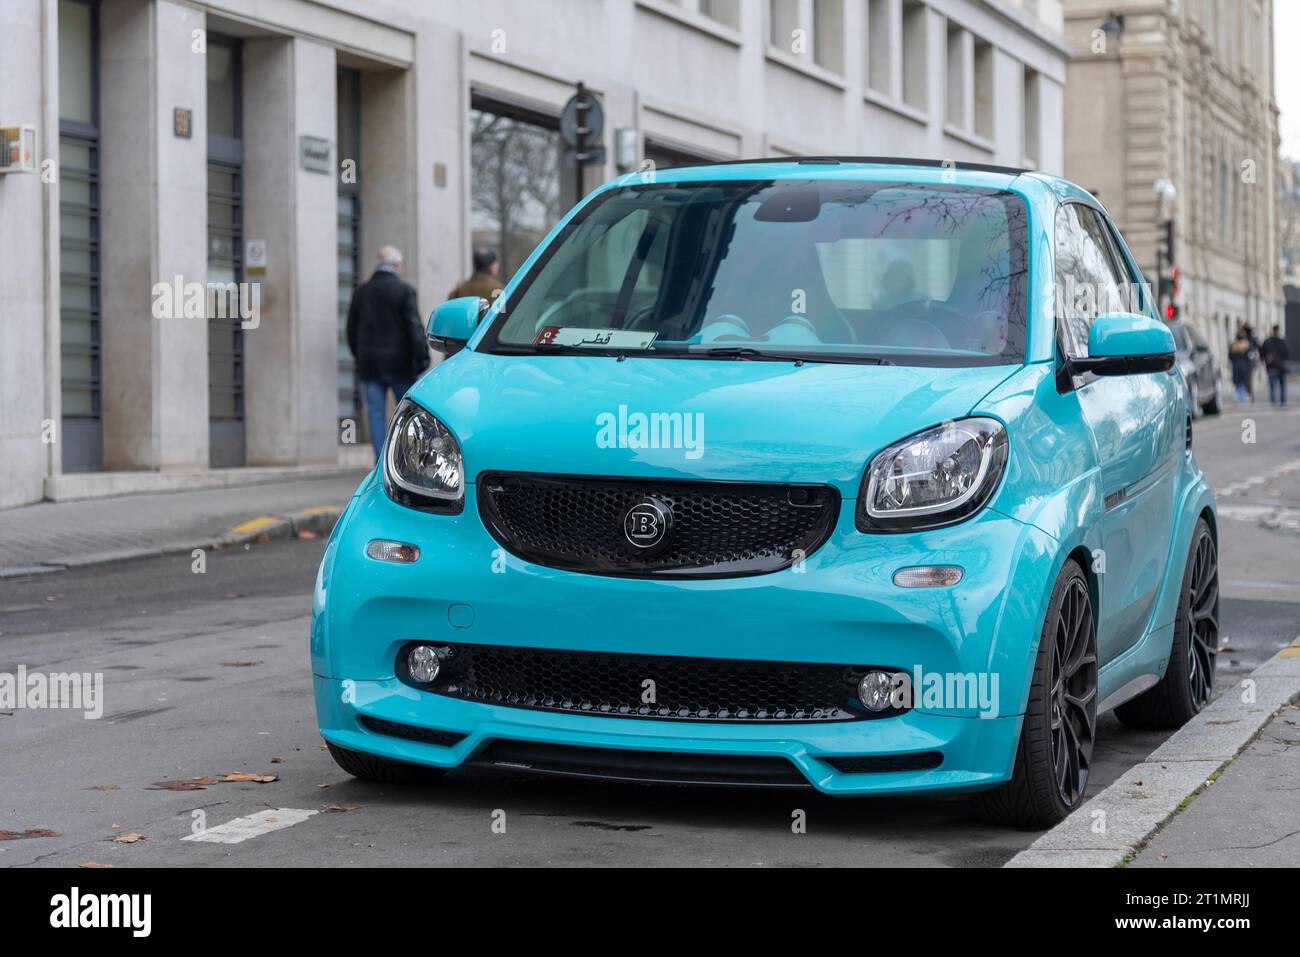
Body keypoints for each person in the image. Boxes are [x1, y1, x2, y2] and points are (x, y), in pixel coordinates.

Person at [346, 245, 430, 460]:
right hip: (401, 364)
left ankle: (379, 461)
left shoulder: (361, 292)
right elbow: (414, 327)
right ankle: (407, 460)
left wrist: (360, 355)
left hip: (370, 364)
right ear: (397, 265)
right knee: (409, 414)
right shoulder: (404, 291)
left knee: (375, 414)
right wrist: (421, 357)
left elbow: (351, 329)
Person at [1261, 324, 1290, 406]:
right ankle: (1282, 401)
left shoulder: (1267, 342)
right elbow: (1287, 353)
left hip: (1272, 366)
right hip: (1281, 366)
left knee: (1273, 385)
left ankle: (1273, 401)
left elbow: (1262, 353)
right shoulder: (1282, 341)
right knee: (1282, 385)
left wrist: (1266, 358)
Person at [1229, 327, 1253, 405]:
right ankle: (1242, 399)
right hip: (1244, 366)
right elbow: (1250, 356)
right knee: (1244, 383)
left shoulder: (1234, 345)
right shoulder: (1247, 345)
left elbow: (1230, 356)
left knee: (1237, 384)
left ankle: (1237, 398)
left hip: (1236, 366)